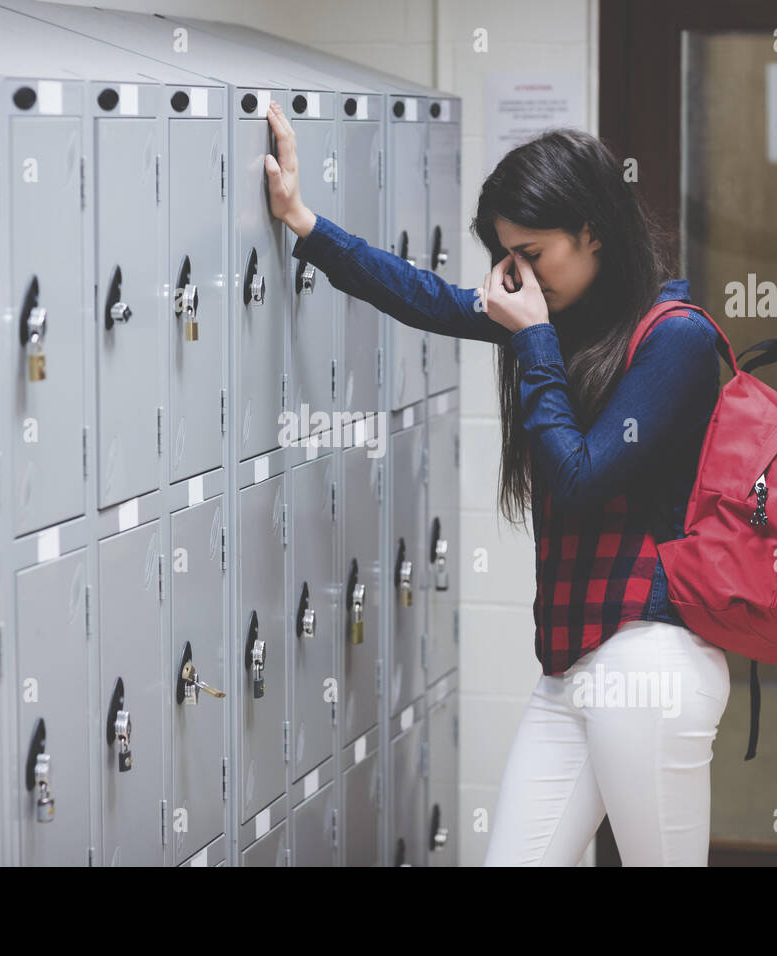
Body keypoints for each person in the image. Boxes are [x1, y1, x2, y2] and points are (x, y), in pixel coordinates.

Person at [264, 100, 730, 866]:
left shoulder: (673, 339)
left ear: (593, 233)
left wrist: (534, 338)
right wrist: (304, 223)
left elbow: (580, 480)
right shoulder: (561, 318)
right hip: (570, 666)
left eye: (532, 253)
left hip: (650, 664)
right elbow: (426, 298)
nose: (517, 276)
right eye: (505, 256)